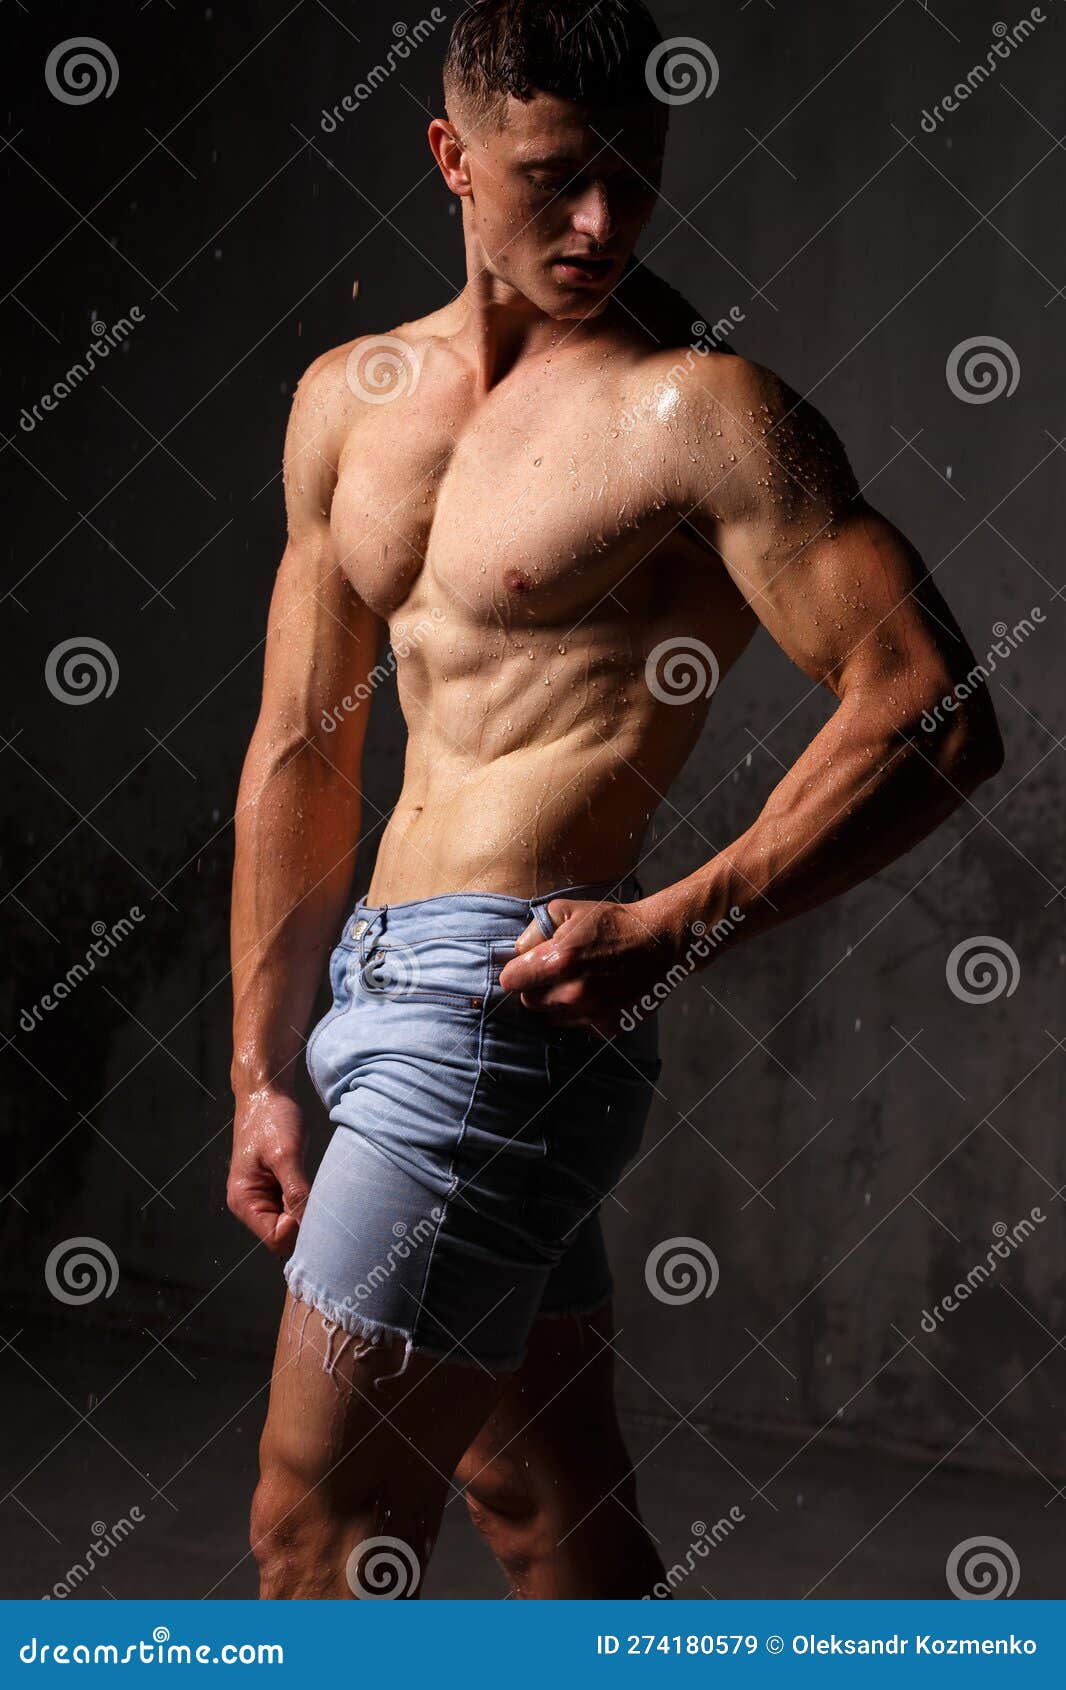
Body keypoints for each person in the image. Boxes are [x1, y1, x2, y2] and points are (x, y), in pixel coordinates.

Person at [227, 0, 1003, 1600]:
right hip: (376, 994)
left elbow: (929, 706)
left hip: (501, 1009)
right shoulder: (349, 401)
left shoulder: (698, 412)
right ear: (449, 156)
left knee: (316, 1532)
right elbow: (304, 751)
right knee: (550, 1515)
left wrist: (674, 922)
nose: (599, 221)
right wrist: (259, 1064)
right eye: (554, 176)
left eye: (632, 180)